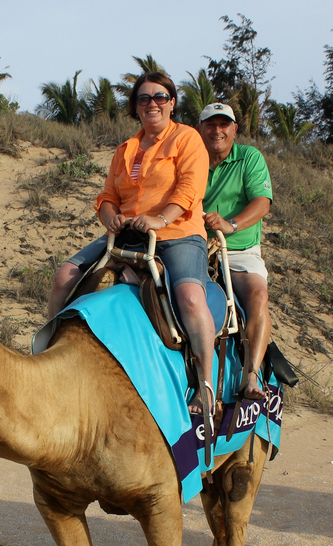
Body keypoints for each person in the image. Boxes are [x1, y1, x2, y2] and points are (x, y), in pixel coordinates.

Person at [48, 72, 215, 415]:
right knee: (64, 276)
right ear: (135, 107)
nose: (152, 103)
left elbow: (189, 189)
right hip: (126, 235)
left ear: (172, 103)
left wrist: (161, 218)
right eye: (143, 98)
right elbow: (108, 196)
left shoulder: (187, 139)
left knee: (190, 298)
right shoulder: (125, 149)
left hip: (177, 232)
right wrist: (109, 216)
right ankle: (48, 360)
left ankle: (205, 384)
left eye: (159, 97)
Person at [198, 102, 272, 400]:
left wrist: (231, 224)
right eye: (210, 125)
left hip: (238, 248)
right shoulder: (191, 160)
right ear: (200, 129)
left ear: (234, 129)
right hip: (194, 245)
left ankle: (251, 375)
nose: (217, 131)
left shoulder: (249, 158)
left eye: (223, 124)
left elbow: (262, 202)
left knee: (257, 295)